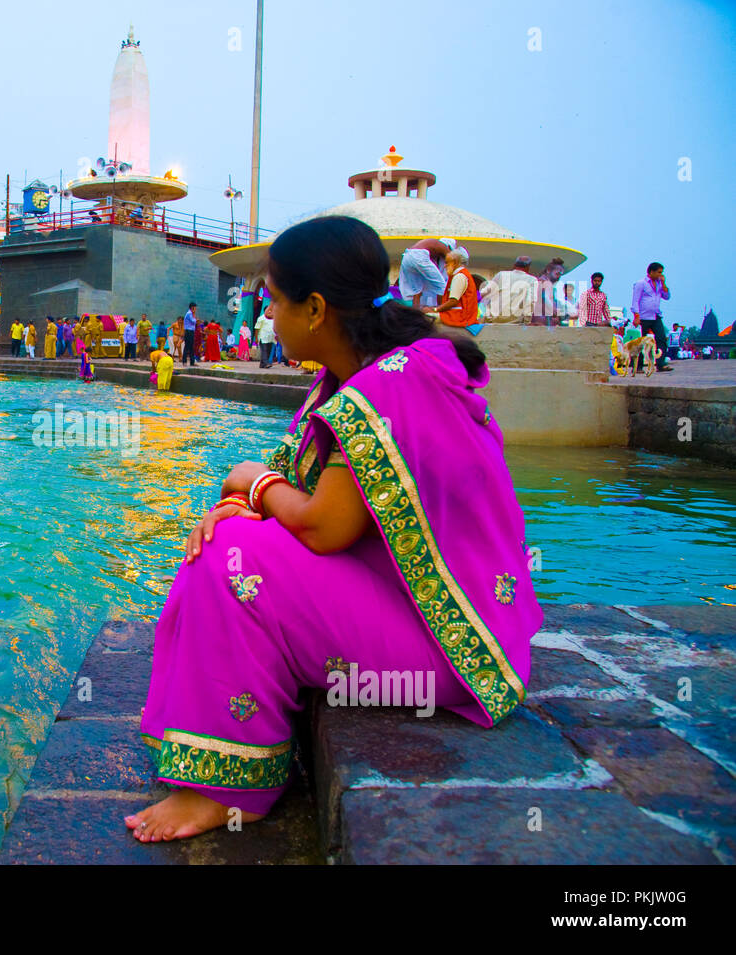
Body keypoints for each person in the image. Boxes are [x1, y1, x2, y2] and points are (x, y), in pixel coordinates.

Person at [125, 216, 539, 842]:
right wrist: (242, 501)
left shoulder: (391, 384)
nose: (267, 314)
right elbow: (308, 496)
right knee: (221, 546)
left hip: (453, 647)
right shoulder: (359, 375)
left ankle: (235, 790)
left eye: (273, 299)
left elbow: (325, 527)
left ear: (315, 308)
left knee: (236, 557)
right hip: (414, 608)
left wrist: (252, 484)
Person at [427, 246, 483, 335]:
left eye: (447, 263)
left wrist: (434, 309)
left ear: (455, 262)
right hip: (458, 315)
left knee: (425, 318)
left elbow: (453, 301)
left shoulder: (459, 276)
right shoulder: (459, 275)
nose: (445, 266)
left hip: (459, 316)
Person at [631, 262, 671, 372]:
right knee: (640, 342)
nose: (660, 274)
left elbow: (666, 296)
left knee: (661, 338)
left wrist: (663, 284)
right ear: (651, 272)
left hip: (655, 315)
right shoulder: (641, 283)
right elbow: (635, 301)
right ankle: (638, 366)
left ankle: (661, 363)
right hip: (643, 316)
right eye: (658, 272)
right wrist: (636, 316)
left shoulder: (659, 283)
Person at [397, 237, 454, 309]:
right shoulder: (444, 247)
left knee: (417, 291)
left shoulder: (433, 246)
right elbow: (452, 260)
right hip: (419, 256)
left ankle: (416, 313)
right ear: (449, 246)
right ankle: (441, 310)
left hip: (407, 256)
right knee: (441, 286)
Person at [479, 256, 538, 324]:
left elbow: (484, 293)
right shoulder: (532, 280)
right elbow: (530, 302)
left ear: (514, 265)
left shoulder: (501, 274)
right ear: (528, 267)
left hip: (492, 320)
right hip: (514, 323)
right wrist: (527, 321)